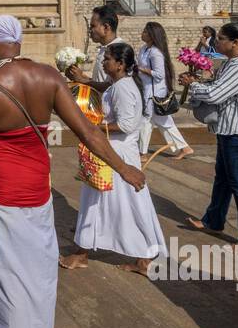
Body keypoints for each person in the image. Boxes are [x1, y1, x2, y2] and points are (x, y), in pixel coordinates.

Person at [0, 15, 144, 328]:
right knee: (37, 273)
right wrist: (124, 168)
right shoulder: (49, 77)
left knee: (8, 278)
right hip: (38, 191)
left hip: (2, 195)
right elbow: (88, 130)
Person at [60, 42, 167, 274]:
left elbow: (127, 124)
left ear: (119, 64)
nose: (104, 61)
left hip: (116, 154)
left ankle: (89, 253)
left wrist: (95, 126)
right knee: (105, 202)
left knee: (125, 204)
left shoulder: (123, 88)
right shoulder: (118, 84)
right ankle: (90, 251)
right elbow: (103, 90)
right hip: (113, 151)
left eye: (107, 58)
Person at [179, 19, 238, 252]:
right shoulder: (231, 63)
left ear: (235, 43)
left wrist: (194, 84)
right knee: (223, 179)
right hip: (228, 129)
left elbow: (216, 94)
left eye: (220, 38)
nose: (216, 41)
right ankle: (213, 220)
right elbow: (219, 87)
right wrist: (198, 81)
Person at [137, 21, 194, 159]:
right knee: (164, 122)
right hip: (146, 89)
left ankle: (142, 153)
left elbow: (159, 75)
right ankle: (184, 147)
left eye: (145, 31)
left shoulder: (156, 53)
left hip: (154, 93)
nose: (142, 33)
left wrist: (141, 69)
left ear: (152, 35)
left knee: (146, 121)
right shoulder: (144, 49)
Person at [65, 5, 124, 94]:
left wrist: (82, 80)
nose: (90, 30)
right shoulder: (104, 49)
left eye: (93, 26)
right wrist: (80, 76)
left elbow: (113, 86)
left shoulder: (120, 50)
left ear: (106, 27)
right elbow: (100, 82)